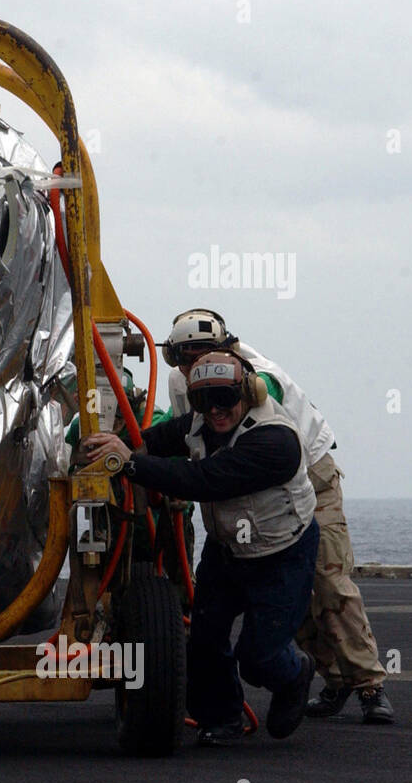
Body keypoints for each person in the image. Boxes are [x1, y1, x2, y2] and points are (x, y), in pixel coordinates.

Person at [163, 309, 393, 723]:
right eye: (181, 357)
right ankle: (333, 679)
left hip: (308, 479)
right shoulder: (183, 382)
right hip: (259, 495)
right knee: (291, 601)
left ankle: (369, 684)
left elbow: (259, 395)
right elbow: (186, 429)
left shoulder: (254, 374)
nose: (190, 365)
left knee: (328, 580)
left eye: (198, 354)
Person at [84, 351, 320, 745]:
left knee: (259, 656)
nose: (214, 411)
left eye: (223, 399)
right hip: (227, 549)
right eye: (202, 401)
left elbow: (205, 479)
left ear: (247, 391)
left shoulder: (275, 440)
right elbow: (157, 440)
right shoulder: (199, 422)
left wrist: (130, 464)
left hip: (282, 554)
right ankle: (222, 718)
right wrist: (115, 446)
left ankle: (296, 673)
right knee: (205, 640)